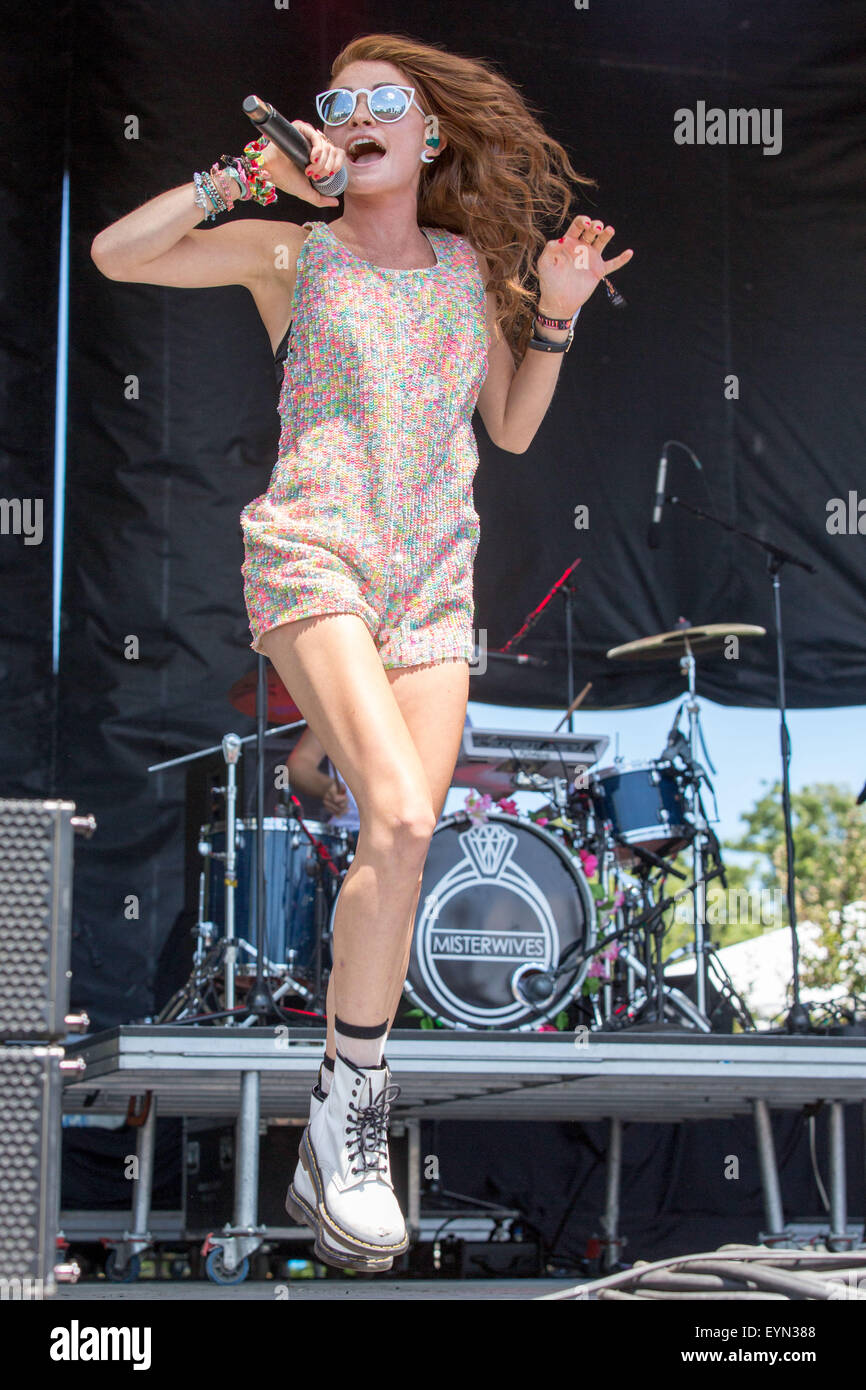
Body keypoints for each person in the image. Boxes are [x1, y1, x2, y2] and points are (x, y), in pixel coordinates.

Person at [90, 31, 633, 1274]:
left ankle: (343, 1106)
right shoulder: (298, 252)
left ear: (427, 134)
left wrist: (549, 315)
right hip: (312, 556)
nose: (356, 112)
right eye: (339, 101)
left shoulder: (469, 266)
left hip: (432, 585)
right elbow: (115, 251)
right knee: (390, 810)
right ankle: (359, 1117)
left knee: (405, 834)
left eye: (384, 99)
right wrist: (239, 179)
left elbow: (507, 427)